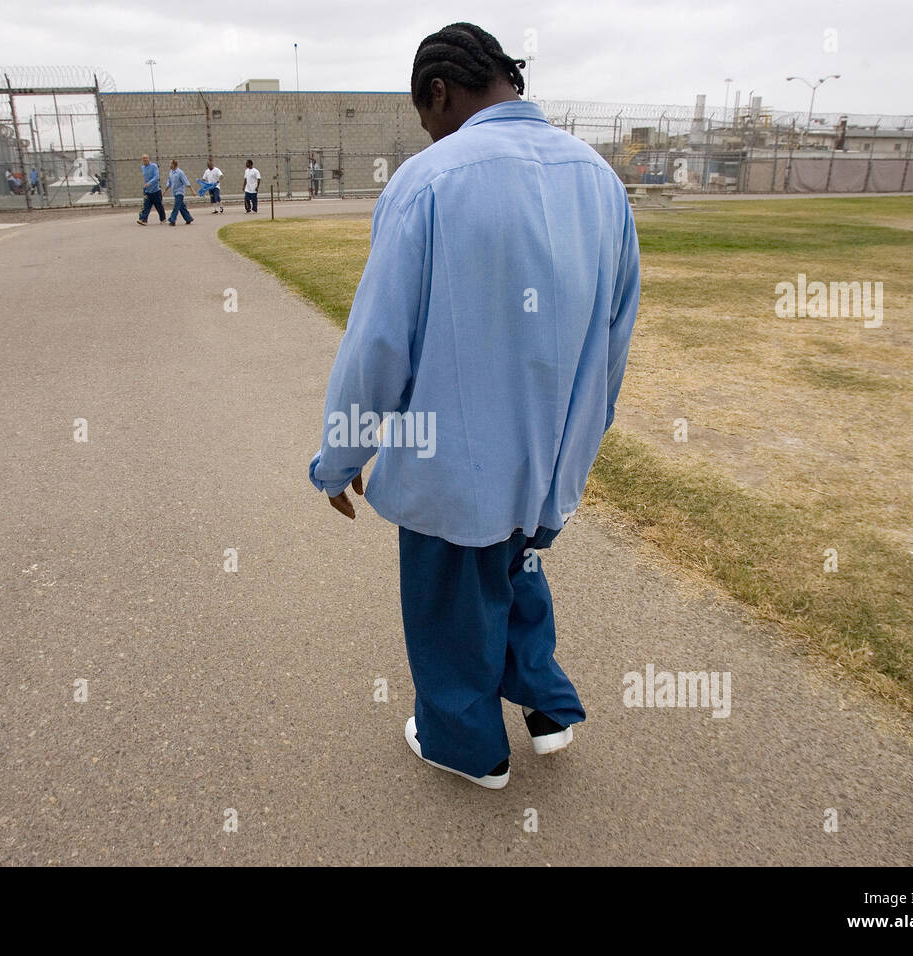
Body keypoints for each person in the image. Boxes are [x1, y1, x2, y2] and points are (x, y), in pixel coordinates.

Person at [307, 22, 640, 790]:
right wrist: (586, 434)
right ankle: (549, 709)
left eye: (425, 115)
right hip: (549, 452)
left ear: (438, 92)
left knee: (450, 597)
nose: (427, 129)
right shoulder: (597, 178)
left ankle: (467, 749)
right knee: (515, 564)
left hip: (454, 462)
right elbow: (618, 330)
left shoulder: (429, 180)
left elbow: (377, 348)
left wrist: (341, 458)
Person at [137, 154, 165, 225]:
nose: (145, 160)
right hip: (147, 191)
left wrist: (150, 183)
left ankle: (163, 219)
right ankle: (143, 220)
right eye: (143, 159)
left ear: (149, 159)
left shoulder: (154, 166)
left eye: (146, 158)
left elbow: (156, 177)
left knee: (159, 206)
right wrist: (146, 186)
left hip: (156, 190)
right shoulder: (143, 167)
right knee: (146, 206)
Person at [165, 159, 194, 226]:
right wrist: (164, 191)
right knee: (181, 207)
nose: (169, 165)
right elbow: (169, 183)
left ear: (174, 165)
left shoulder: (180, 172)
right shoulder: (171, 172)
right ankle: (188, 218)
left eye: (170, 164)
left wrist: (192, 191)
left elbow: (186, 182)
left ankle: (172, 220)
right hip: (174, 192)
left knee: (176, 206)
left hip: (179, 192)